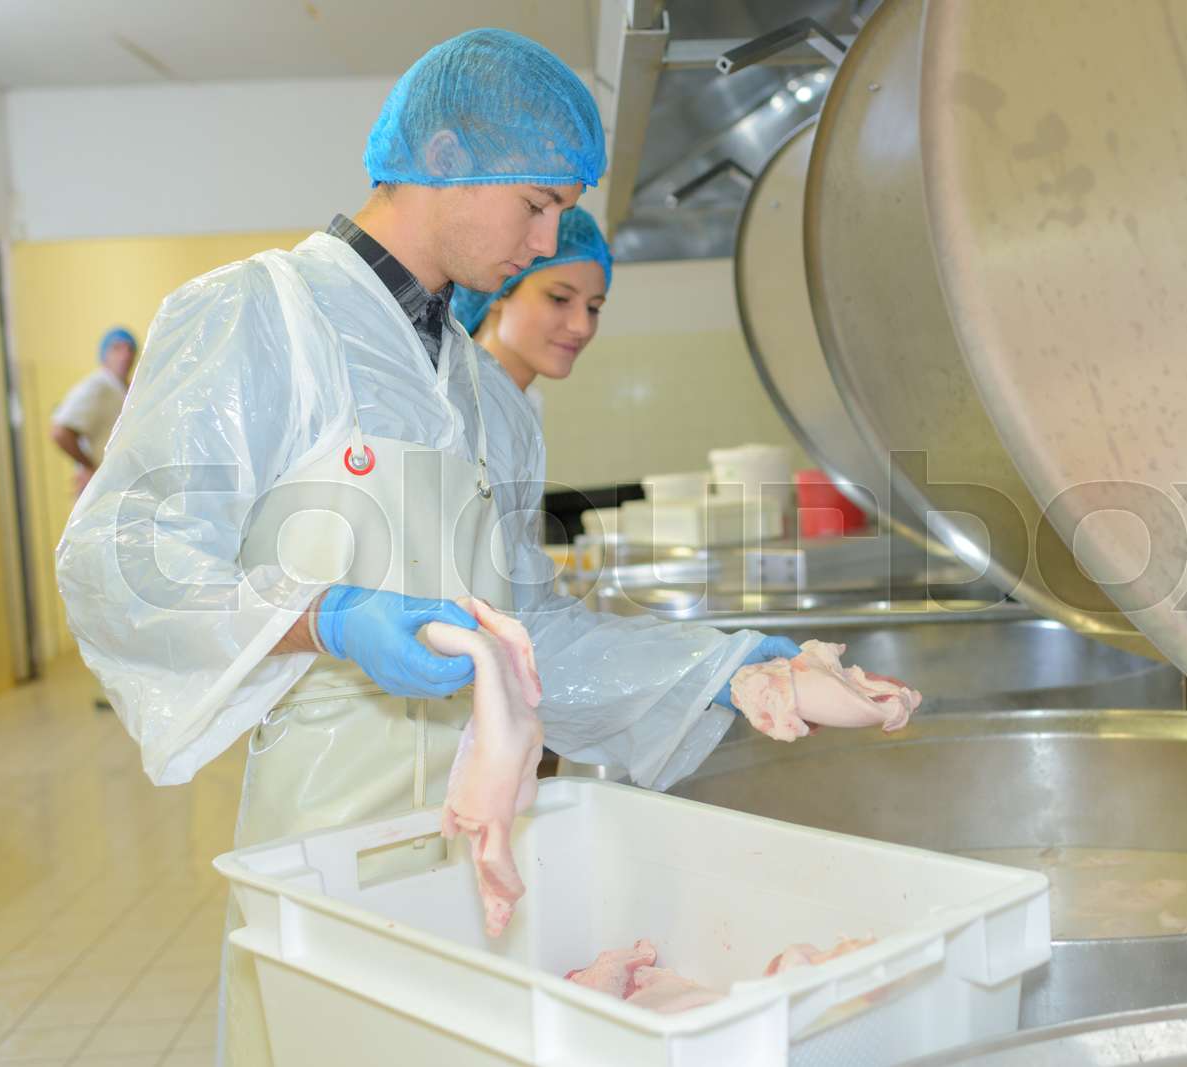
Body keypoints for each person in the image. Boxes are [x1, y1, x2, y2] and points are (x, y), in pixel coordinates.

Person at [53, 29, 798, 1066]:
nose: (547, 239)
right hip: (325, 840)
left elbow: (533, 631)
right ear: (445, 157)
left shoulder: (487, 396)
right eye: (535, 203)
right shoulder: (260, 316)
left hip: (474, 851)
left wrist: (721, 669)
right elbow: (121, 557)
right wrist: (327, 615)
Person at [453, 203, 611, 425]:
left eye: (593, 308)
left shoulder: (522, 406)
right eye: (559, 298)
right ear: (498, 289)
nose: (582, 327)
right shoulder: (450, 409)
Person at [50, 326, 136, 496]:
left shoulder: (124, 390)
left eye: (130, 349)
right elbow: (60, 432)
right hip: (102, 488)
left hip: (120, 486)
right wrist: (90, 467)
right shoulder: (97, 385)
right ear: (104, 354)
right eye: (117, 348)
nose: (125, 355)